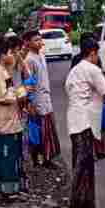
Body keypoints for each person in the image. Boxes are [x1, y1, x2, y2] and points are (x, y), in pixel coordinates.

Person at [63, 36, 105, 208]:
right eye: (98, 54)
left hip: (75, 120)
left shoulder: (75, 70)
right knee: (83, 165)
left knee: (85, 164)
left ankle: (87, 204)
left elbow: (69, 90)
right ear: (93, 53)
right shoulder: (93, 69)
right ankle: (73, 205)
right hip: (85, 122)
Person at [0, 38, 28, 199]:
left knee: (12, 156)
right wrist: (20, 93)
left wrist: (21, 92)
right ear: (2, 55)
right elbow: (1, 96)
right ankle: (5, 190)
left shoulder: (5, 71)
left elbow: (12, 89)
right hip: (2, 123)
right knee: (5, 156)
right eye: (11, 52)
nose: (13, 56)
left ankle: (11, 188)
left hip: (10, 121)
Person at [22, 29, 60, 167]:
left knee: (47, 130)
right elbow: (28, 82)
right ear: (27, 43)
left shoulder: (42, 56)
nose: (39, 42)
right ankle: (37, 160)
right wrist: (30, 103)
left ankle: (47, 158)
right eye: (36, 40)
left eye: (40, 39)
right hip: (37, 100)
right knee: (37, 131)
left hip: (46, 98)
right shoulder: (29, 60)